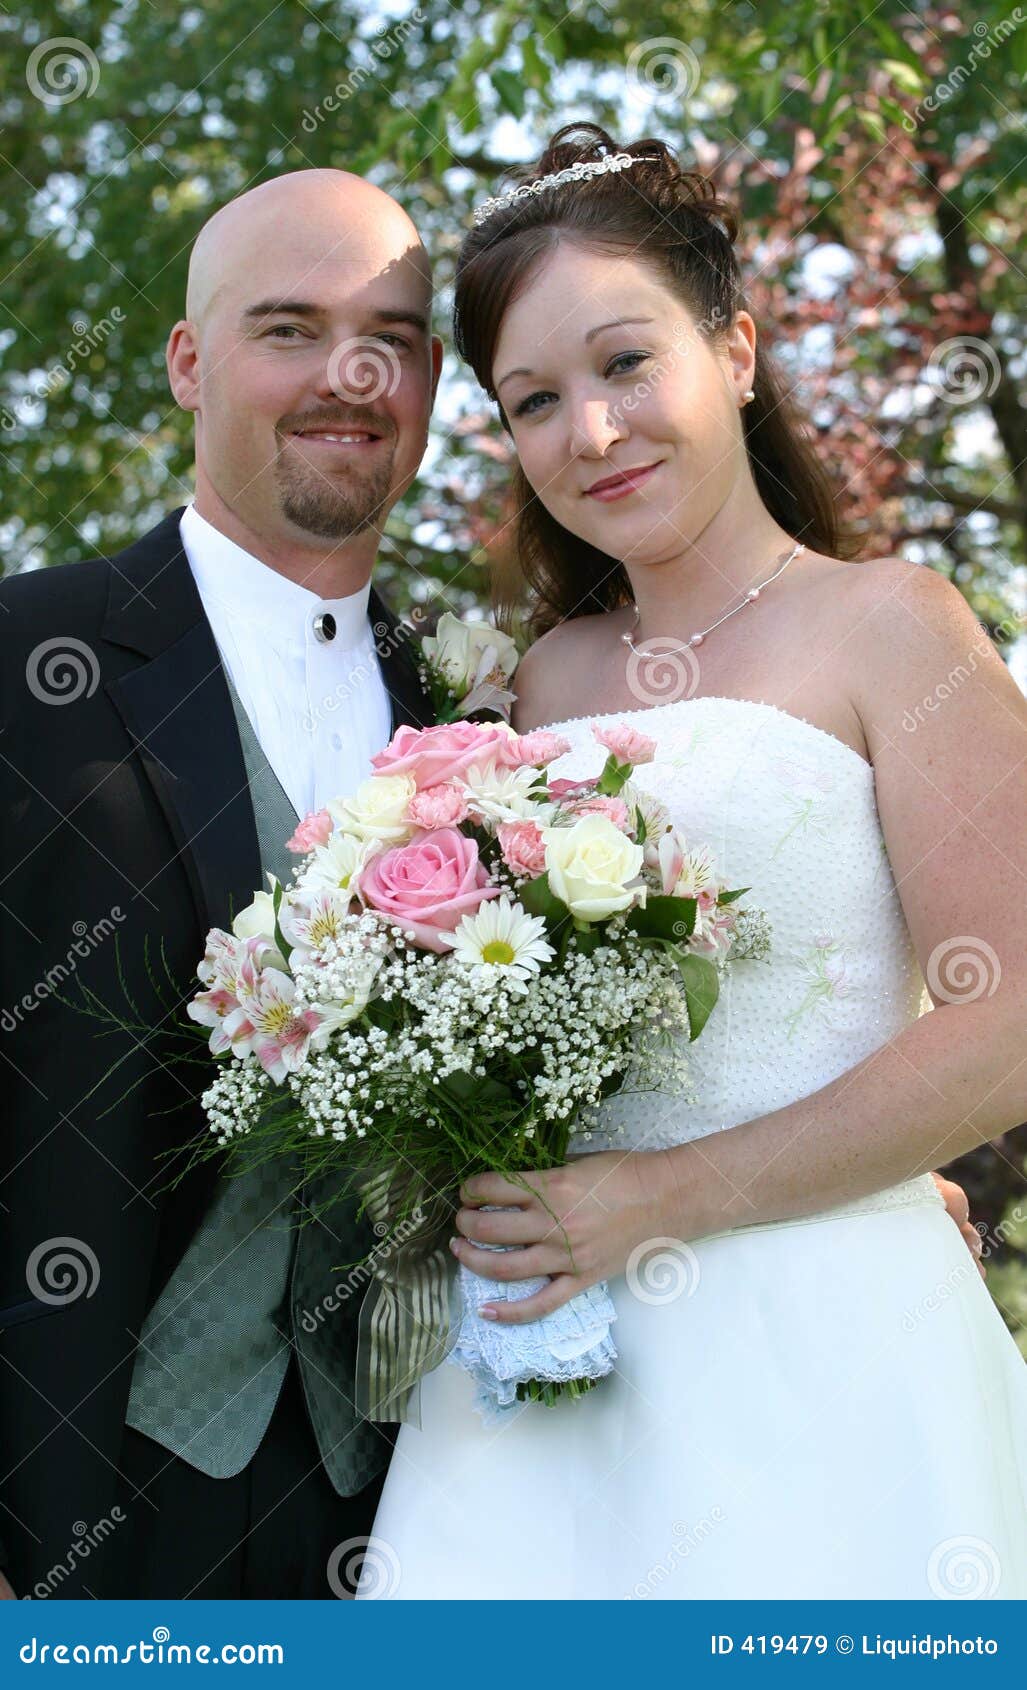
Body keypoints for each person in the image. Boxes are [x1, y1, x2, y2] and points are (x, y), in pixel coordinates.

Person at [356, 125, 1027, 1600]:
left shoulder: (895, 627)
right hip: (537, 1357)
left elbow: (1013, 1020)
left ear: (732, 350)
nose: (590, 433)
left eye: (624, 364)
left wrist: (666, 1197)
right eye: (535, 401)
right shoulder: (518, 693)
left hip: (829, 1345)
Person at [0, 169, 441, 1598]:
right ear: (189, 361)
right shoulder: (28, 659)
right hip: (77, 1501)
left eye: (394, 335)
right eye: (289, 327)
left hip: (419, 1488)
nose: (350, 375)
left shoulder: (489, 715)